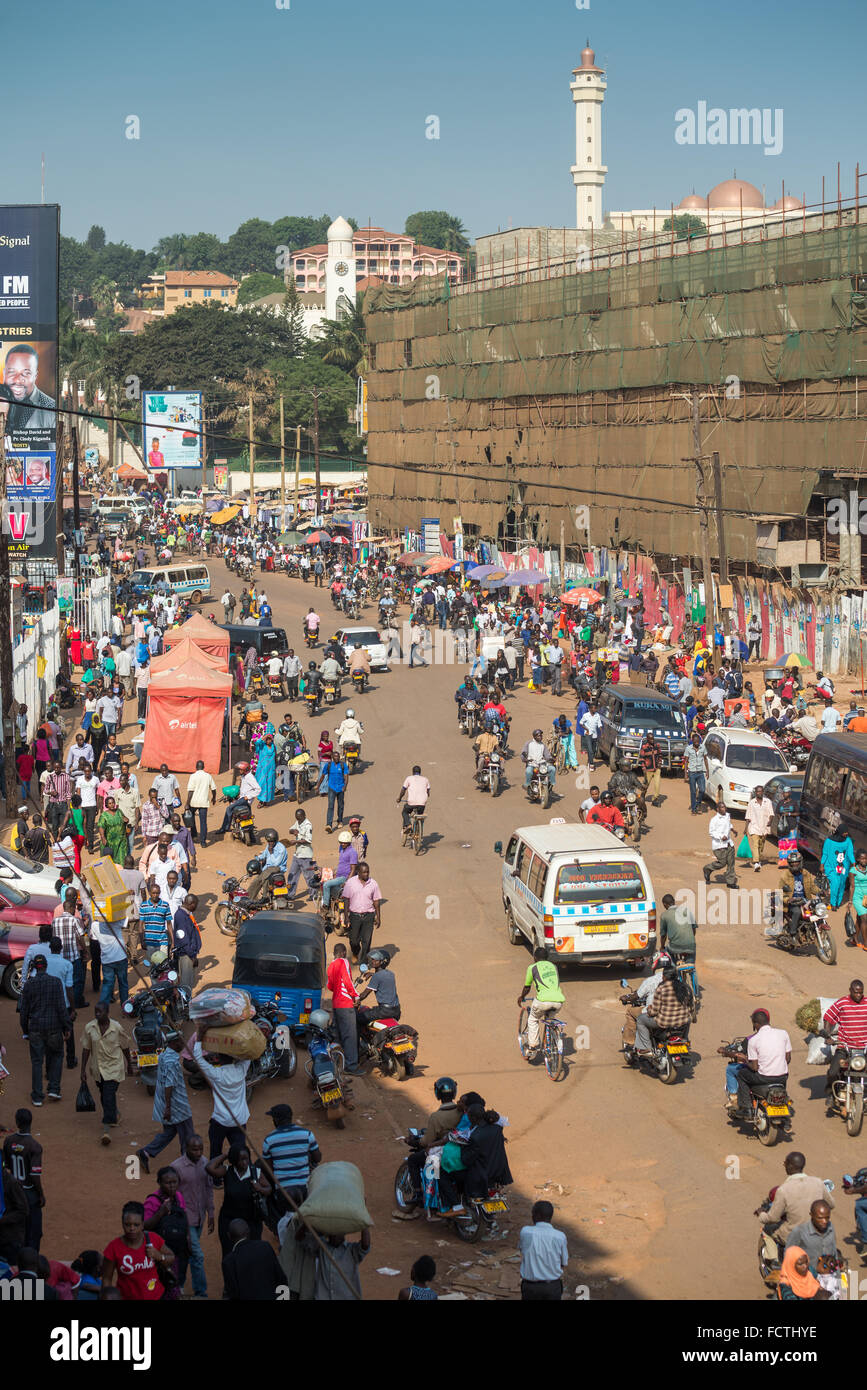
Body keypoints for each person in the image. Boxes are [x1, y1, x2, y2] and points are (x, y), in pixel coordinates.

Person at [192, 1022, 251, 1161]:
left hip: (220, 1121)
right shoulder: (241, 1071)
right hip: (239, 1120)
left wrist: (200, 1036)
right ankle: (242, 1176)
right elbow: (249, 1054)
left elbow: (198, 1057)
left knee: (216, 1151)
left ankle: (217, 1179)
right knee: (240, 1153)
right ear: (233, 1057)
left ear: (218, 1058)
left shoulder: (216, 1074)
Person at [19, 954, 71, 1105]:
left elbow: (24, 1012)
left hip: (35, 1029)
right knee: (57, 1056)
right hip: (54, 1028)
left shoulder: (29, 984)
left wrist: (25, 1030)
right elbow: (62, 1008)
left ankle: (37, 1096)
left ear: (35, 967)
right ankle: (54, 1089)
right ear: (46, 966)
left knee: (36, 1062)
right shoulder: (55, 983)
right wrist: (67, 1026)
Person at [137, 1031, 194, 1169]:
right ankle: (187, 1162)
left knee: (169, 1132)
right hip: (177, 1106)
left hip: (167, 1103)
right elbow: (169, 1085)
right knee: (188, 1135)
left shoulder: (164, 1056)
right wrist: (168, 1107)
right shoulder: (171, 1061)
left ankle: (146, 1152)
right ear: (174, 1043)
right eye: (181, 1041)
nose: (183, 1043)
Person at [206, 1143, 271, 1256]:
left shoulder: (255, 1172)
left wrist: (260, 1188)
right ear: (234, 1160)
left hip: (251, 1222)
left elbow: (269, 1189)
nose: (245, 1162)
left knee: (252, 1255)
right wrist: (226, 1154)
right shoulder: (227, 1171)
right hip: (229, 1221)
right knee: (229, 1253)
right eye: (241, 1159)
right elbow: (209, 1167)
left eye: (247, 1159)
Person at [757, 1152, 835, 1246]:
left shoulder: (783, 1190)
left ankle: (774, 1260)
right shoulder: (818, 1182)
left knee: (767, 1229)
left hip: (794, 1237)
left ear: (790, 1166)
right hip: (818, 1232)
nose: (783, 1164)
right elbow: (831, 1204)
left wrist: (761, 1214)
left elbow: (773, 1218)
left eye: (785, 1162)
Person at [170, 1134, 213, 1300]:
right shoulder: (176, 1167)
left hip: (200, 1216)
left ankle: (178, 1284)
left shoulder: (205, 1162)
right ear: (186, 1148)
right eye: (194, 1149)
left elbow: (209, 1188)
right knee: (197, 1255)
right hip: (184, 1220)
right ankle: (201, 1293)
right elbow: (171, 1195)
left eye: (201, 1149)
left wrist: (211, 1213)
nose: (198, 1152)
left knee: (186, 1252)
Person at [80, 1002, 133, 1138]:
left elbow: (125, 1046)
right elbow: (86, 1049)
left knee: (108, 1095)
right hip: (98, 1069)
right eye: (96, 1011)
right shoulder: (89, 1028)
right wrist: (82, 1070)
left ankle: (106, 1129)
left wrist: (129, 1064)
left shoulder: (116, 1028)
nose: (97, 1014)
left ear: (107, 1013)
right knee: (104, 1095)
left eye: (100, 1012)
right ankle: (114, 1113)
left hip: (114, 1068)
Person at [102, 1200, 174, 1300]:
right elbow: (107, 1278)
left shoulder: (154, 1239)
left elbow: (171, 1257)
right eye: (127, 1224)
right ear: (122, 1223)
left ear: (142, 1225)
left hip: (156, 1296)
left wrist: (159, 1256)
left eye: (136, 1225)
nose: (132, 1228)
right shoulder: (113, 1248)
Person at [260, 1104, 321, 1213]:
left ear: (276, 1120)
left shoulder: (269, 1140)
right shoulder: (307, 1134)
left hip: (283, 1190)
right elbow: (317, 1158)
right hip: (305, 1187)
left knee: (286, 1219)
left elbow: (268, 1169)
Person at [733, 1008, 792, 1117]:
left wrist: (745, 1060)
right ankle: (784, 1115)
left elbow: (754, 1067)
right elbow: (787, 1059)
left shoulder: (754, 1040)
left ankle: (746, 1108)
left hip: (764, 1077)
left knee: (741, 1074)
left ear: (755, 1024)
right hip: (783, 1077)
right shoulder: (783, 1033)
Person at [143, 1165, 191, 1295]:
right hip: (161, 1250)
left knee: (175, 1280)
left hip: (179, 1247)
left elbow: (184, 1217)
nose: (172, 1186)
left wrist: (189, 1239)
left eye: (174, 1182)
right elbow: (144, 1226)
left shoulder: (179, 1197)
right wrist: (161, 1212)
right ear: (159, 1183)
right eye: (167, 1183)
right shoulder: (152, 1201)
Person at [3, 1110, 45, 1252]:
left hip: (13, 1193)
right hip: (29, 1194)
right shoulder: (34, 1146)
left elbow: (6, 1166)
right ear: (31, 1122)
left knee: (16, 1230)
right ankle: (31, 1266)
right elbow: (34, 1174)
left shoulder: (8, 1141)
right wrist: (41, 1194)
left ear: (17, 1122)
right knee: (33, 1233)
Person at [821, 980, 867, 1108]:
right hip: (845, 1047)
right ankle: (831, 1092)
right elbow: (828, 1018)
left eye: (861, 993)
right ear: (850, 990)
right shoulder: (842, 1003)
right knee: (832, 1072)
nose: (859, 995)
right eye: (856, 992)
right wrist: (828, 1034)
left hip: (864, 1049)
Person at [633, 965, 693, 1054]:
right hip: (682, 1022)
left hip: (664, 1023)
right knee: (687, 1019)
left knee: (641, 1020)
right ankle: (684, 1039)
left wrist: (649, 1009)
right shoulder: (685, 987)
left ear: (664, 977)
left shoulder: (661, 988)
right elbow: (690, 1006)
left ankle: (646, 1047)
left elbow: (654, 1012)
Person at [222, 1218, 286, 1301]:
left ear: (229, 1236)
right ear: (248, 1231)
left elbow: (233, 1294)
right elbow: (281, 1279)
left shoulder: (228, 1262)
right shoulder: (265, 1247)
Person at [517, 948, 565, 1058]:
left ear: (535, 958)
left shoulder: (532, 967)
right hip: (558, 1002)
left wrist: (522, 997)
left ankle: (533, 1046)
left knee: (533, 1019)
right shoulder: (553, 967)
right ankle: (552, 1039)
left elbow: (527, 987)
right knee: (550, 1020)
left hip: (542, 1001)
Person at [518, 1200, 569, 1300]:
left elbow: (522, 1249)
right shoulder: (560, 1236)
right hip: (552, 1287)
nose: (531, 1216)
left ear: (537, 1215)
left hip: (530, 1288)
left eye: (533, 1213)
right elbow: (564, 1263)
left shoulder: (526, 1232)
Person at [326, 943, 360, 1071]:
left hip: (336, 1004)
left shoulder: (331, 966)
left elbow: (330, 986)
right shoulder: (343, 961)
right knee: (350, 1036)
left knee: (337, 1035)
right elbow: (347, 981)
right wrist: (356, 996)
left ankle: (336, 1062)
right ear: (344, 952)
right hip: (345, 1003)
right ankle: (351, 1066)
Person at [342, 862, 382, 963]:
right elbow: (346, 899)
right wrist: (346, 916)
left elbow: (376, 901)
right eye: (364, 872)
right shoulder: (350, 883)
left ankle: (363, 963)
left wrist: (378, 917)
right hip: (354, 916)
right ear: (358, 873)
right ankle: (355, 952)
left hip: (369, 916)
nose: (366, 874)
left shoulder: (373, 883)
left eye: (368, 872)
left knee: (367, 941)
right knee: (354, 940)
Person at [783, 1201, 838, 1270]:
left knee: (853, 1276)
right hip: (807, 1276)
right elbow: (788, 1255)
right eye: (820, 1218)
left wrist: (837, 1277)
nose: (824, 1221)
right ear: (811, 1215)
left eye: (827, 1217)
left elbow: (834, 1253)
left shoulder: (830, 1227)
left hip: (828, 1275)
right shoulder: (799, 1231)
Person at [704, 803, 738, 888]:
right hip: (719, 845)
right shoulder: (714, 820)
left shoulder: (727, 815)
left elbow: (729, 824)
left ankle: (730, 882)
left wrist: (733, 830)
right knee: (722, 863)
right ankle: (708, 868)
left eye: (725, 807)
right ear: (718, 809)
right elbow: (711, 832)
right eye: (722, 807)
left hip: (729, 843)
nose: (724, 809)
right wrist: (720, 837)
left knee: (731, 863)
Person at [821, 829, 855, 909]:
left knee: (841, 885)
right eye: (844, 832)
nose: (846, 833)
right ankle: (833, 903)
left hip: (844, 867)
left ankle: (837, 903)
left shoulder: (848, 841)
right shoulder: (829, 841)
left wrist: (853, 863)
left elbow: (850, 853)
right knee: (835, 883)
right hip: (831, 866)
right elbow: (825, 853)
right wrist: (822, 864)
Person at [185, 760, 216, 848]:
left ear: (196, 767)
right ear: (203, 767)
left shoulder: (193, 776)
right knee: (203, 822)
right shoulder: (208, 776)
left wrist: (187, 803)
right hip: (203, 802)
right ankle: (203, 842)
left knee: (192, 819)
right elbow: (213, 788)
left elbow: (191, 791)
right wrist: (214, 797)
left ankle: (194, 835)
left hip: (193, 802)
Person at [658, 893, 697, 961]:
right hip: (690, 945)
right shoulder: (686, 910)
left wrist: (662, 947)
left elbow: (663, 935)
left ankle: (674, 966)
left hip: (675, 946)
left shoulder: (664, 915)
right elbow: (693, 929)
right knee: (691, 965)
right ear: (674, 901)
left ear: (664, 904)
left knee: (667, 954)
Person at [744, 785, 773, 873]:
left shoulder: (767, 802)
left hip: (764, 827)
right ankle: (756, 862)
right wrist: (745, 829)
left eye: (761, 791)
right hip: (754, 827)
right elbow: (748, 816)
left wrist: (770, 821)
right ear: (755, 792)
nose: (759, 793)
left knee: (761, 846)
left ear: (763, 792)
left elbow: (771, 814)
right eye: (757, 791)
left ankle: (758, 859)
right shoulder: (752, 803)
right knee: (755, 844)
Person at [319, 751, 349, 832]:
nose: (336, 758)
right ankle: (329, 824)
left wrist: (345, 786)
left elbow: (346, 777)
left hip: (340, 788)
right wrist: (318, 786)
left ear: (339, 757)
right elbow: (322, 776)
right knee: (330, 806)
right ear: (332, 757)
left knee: (340, 806)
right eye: (335, 756)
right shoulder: (328, 765)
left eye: (338, 756)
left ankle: (340, 821)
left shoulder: (343, 765)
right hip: (331, 788)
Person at [684, 732, 706, 814]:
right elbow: (686, 761)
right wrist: (685, 774)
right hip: (692, 773)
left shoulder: (703, 747)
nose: (697, 743)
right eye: (695, 742)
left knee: (702, 790)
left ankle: (698, 803)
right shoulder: (688, 749)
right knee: (693, 791)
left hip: (700, 772)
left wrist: (707, 771)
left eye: (698, 741)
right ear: (692, 741)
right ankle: (693, 809)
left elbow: (705, 759)